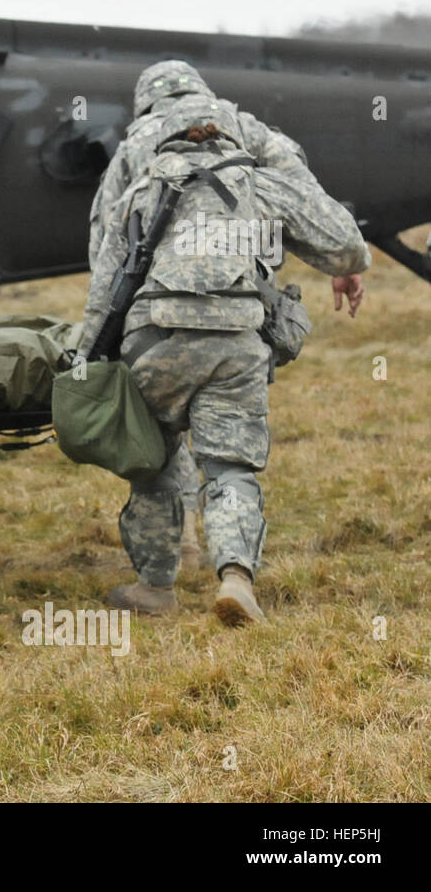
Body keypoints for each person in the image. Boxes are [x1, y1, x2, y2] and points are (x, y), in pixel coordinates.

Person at [87, 94, 368, 626]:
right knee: (230, 468)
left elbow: (102, 293)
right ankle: (235, 578)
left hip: (155, 342)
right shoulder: (257, 184)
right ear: (231, 135)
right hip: (235, 342)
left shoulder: (138, 193)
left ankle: (155, 588)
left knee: (154, 463)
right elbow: (347, 247)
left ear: (163, 136)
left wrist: (85, 367)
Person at [89, 60, 312, 569]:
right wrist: (346, 264)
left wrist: (93, 353)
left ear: (145, 101)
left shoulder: (135, 146)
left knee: (156, 450)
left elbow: (105, 247)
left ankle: (167, 567)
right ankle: (234, 575)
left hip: (155, 324)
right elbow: (304, 194)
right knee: (228, 460)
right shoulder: (245, 127)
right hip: (238, 320)